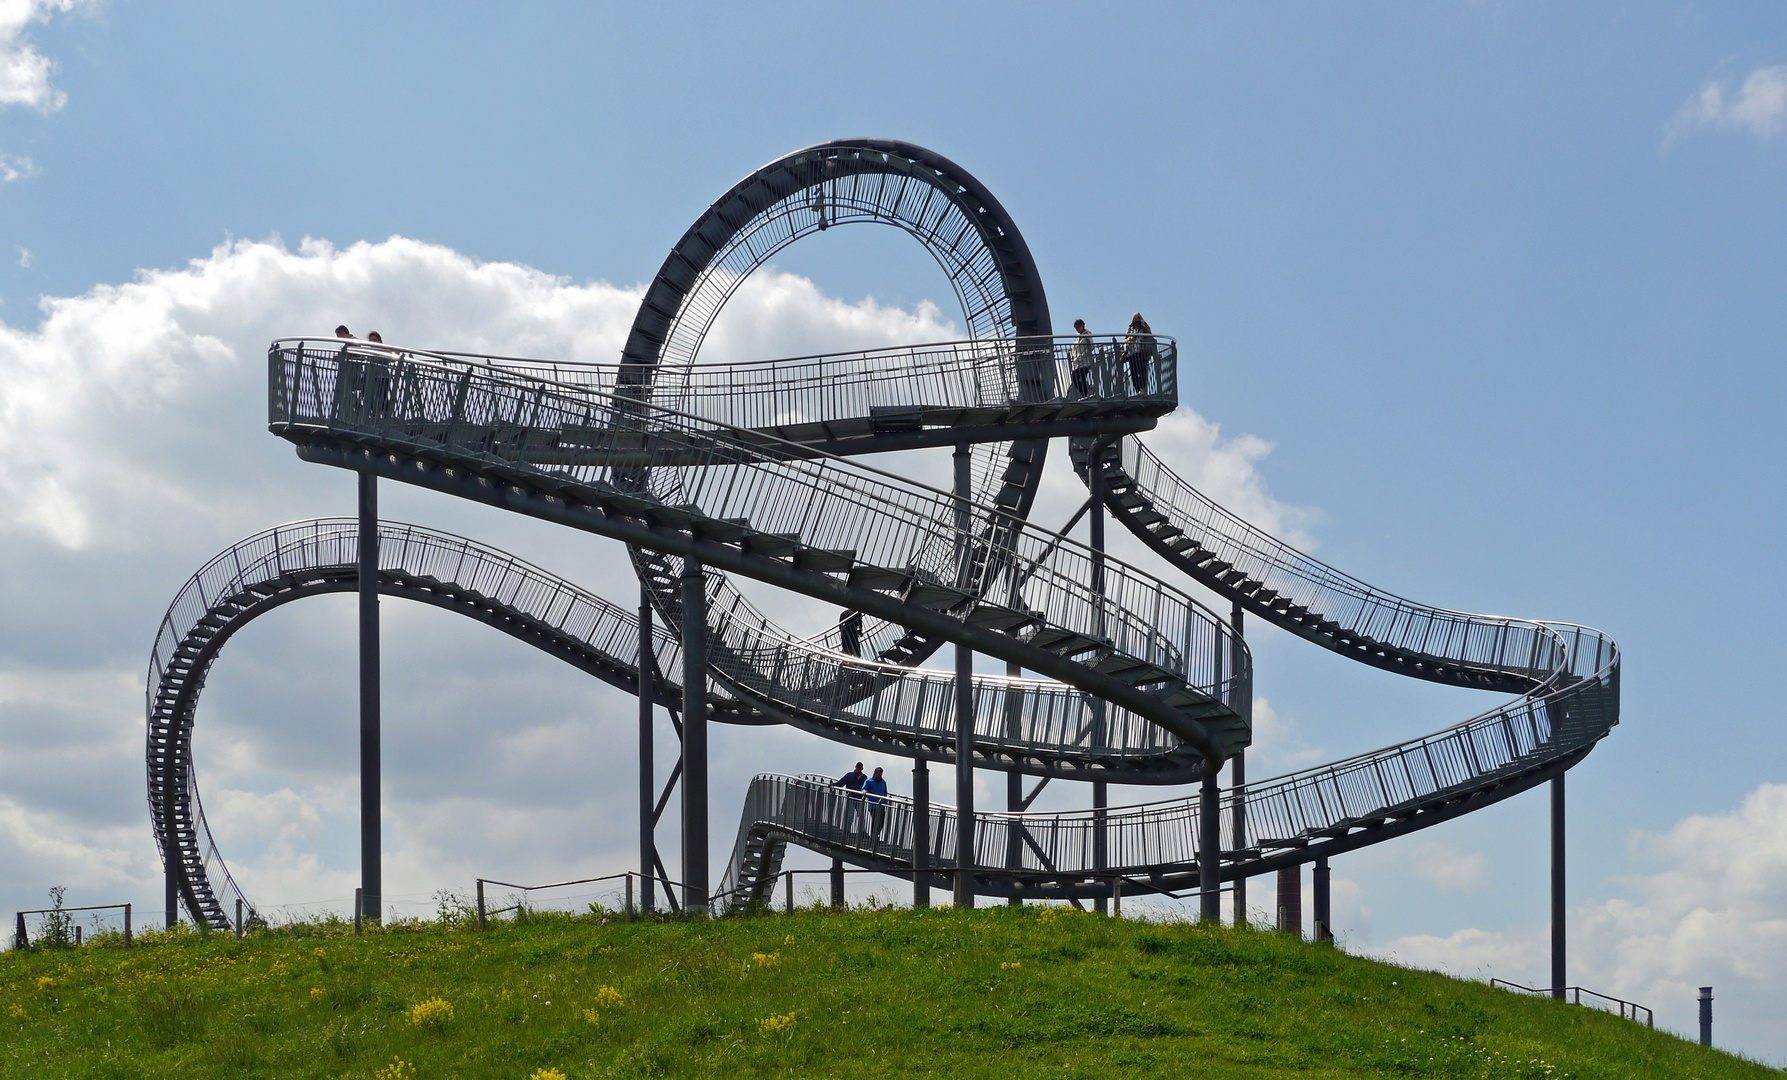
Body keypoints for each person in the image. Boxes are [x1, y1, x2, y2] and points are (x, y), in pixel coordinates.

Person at [831, 762, 868, 835]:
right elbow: (841, 783)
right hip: (851, 797)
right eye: (857, 768)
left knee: (861, 816)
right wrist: (833, 784)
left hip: (859, 798)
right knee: (850, 815)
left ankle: (862, 831)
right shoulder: (849, 776)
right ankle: (847, 831)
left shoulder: (864, 778)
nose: (858, 770)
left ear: (862, 769)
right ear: (856, 767)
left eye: (860, 768)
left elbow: (866, 787)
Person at [1124, 312, 1155, 394]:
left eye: (1137, 322)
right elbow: (1124, 340)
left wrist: (1143, 324)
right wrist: (1130, 339)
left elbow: (1150, 335)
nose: (1136, 324)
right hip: (1132, 353)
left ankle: (1142, 388)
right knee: (1134, 372)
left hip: (1142, 353)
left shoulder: (1144, 329)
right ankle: (1138, 389)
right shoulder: (1130, 329)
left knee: (1142, 371)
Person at [863, 766, 889, 843]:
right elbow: (864, 788)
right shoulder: (869, 781)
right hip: (873, 805)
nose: (879, 776)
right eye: (878, 775)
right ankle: (873, 837)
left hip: (881, 806)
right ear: (874, 774)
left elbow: (885, 792)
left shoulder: (883, 782)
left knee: (881, 822)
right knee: (875, 820)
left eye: (880, 775)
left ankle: (876, 835)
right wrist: (864, 792)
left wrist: (885, 800)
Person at [1070, 319, 1094, 398]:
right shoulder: (1077, 336)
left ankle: (1085, 395)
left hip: (1085, 362)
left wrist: (1083, 355)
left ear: (1082, 325)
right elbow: (1074, 348)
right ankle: (1083, 394)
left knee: (1082, 378)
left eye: (1078, 327)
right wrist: (1073, 356)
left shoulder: (1087, 334)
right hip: (1077, 362)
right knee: (1075, 378)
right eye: (1075, 327)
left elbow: (1091, 346)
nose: (1077, 329)